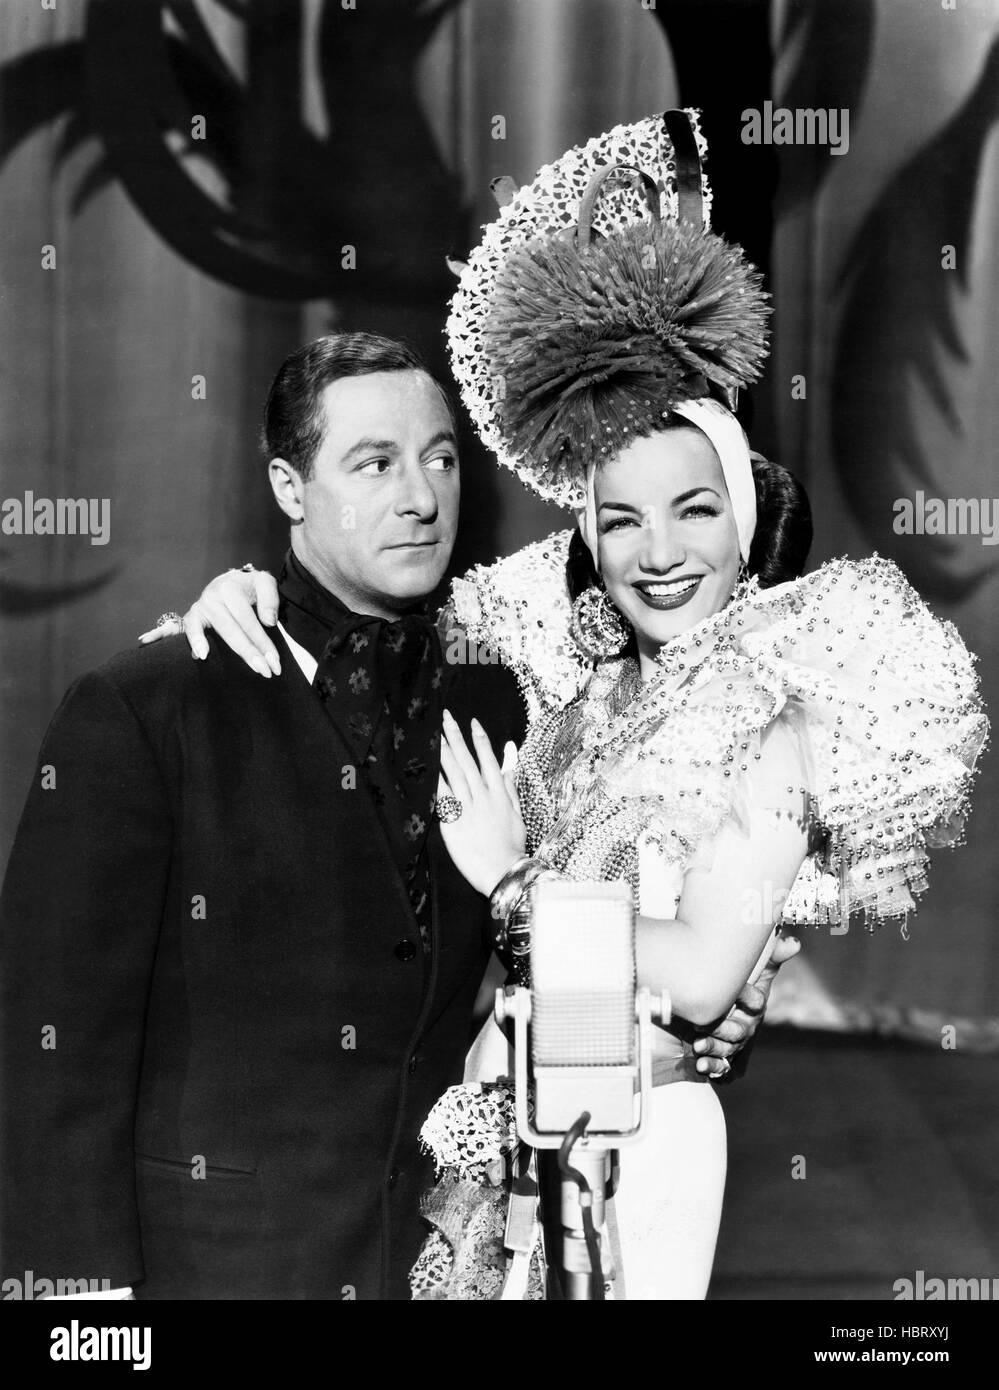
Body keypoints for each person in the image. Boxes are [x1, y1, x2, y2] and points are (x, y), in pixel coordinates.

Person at [177, 111, 988, 1301]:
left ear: (747, 518)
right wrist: (248, 590)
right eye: (620, 519)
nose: (657, 551)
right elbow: (369, 636)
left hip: (642, 1147)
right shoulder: (579, 677)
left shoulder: (786, 718)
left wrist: (513, 885)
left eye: (693, 509)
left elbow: (706, 973)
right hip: (514, 1136)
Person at [0, 330, 765, 1303]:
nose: (421, 495)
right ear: (287, 487)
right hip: (213, 1264)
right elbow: (51, 1040)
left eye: (441, 458)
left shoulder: (504, 705)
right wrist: (79, 1307)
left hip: (439, 1255)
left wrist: (709, 1012)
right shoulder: (149, 707)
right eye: (375, 463)